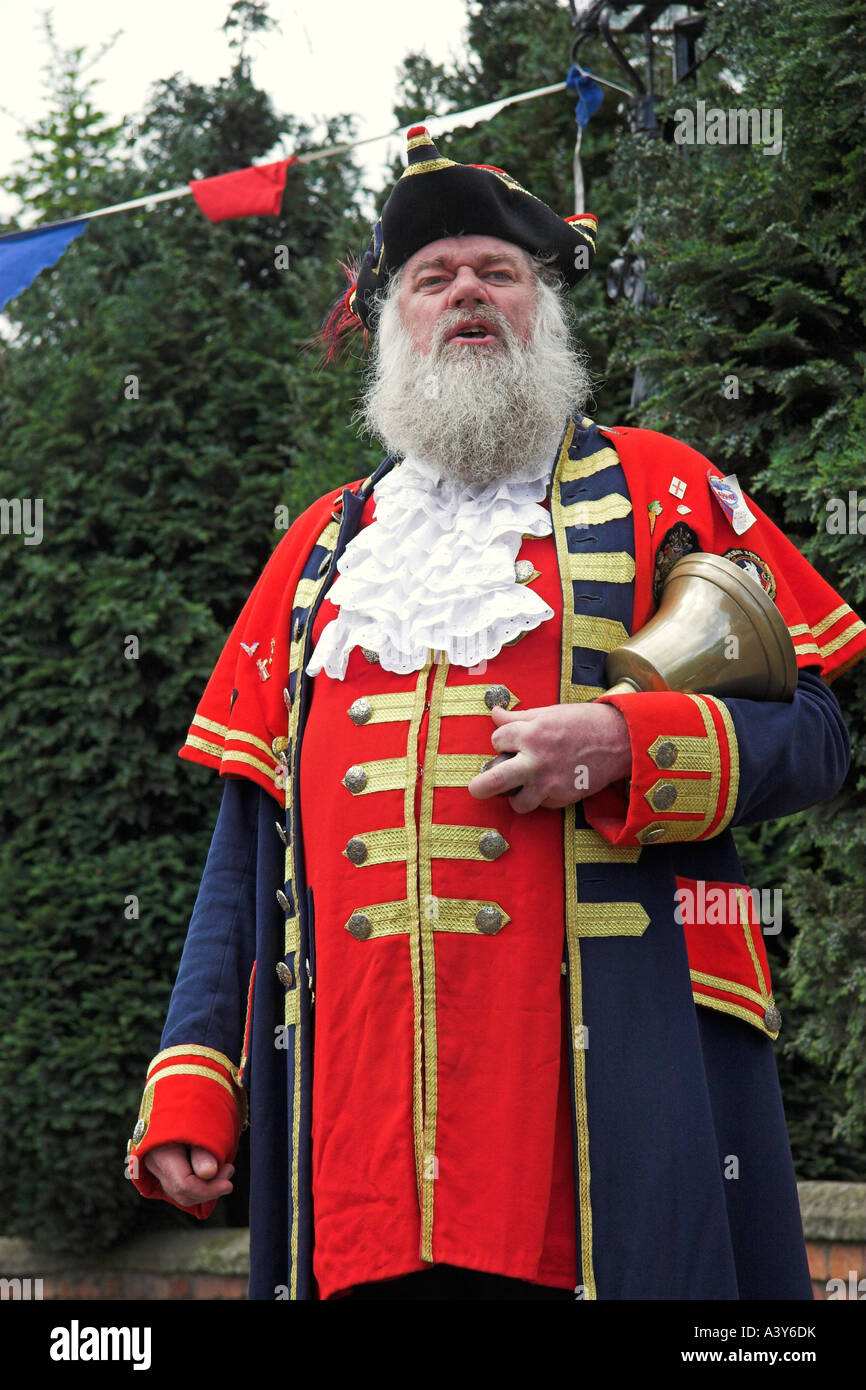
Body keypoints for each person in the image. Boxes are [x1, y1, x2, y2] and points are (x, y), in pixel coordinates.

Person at [127, 127, 866, 1301]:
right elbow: (246, 849)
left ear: (542, 311)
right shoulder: (319, 552)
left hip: (604, 1101)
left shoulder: (658, 486)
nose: (465, 289)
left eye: (497, 271)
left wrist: (634, 743)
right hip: (352, 1129)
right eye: (431, 277)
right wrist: (195, 1078)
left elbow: (818, 731)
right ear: (393, 327)